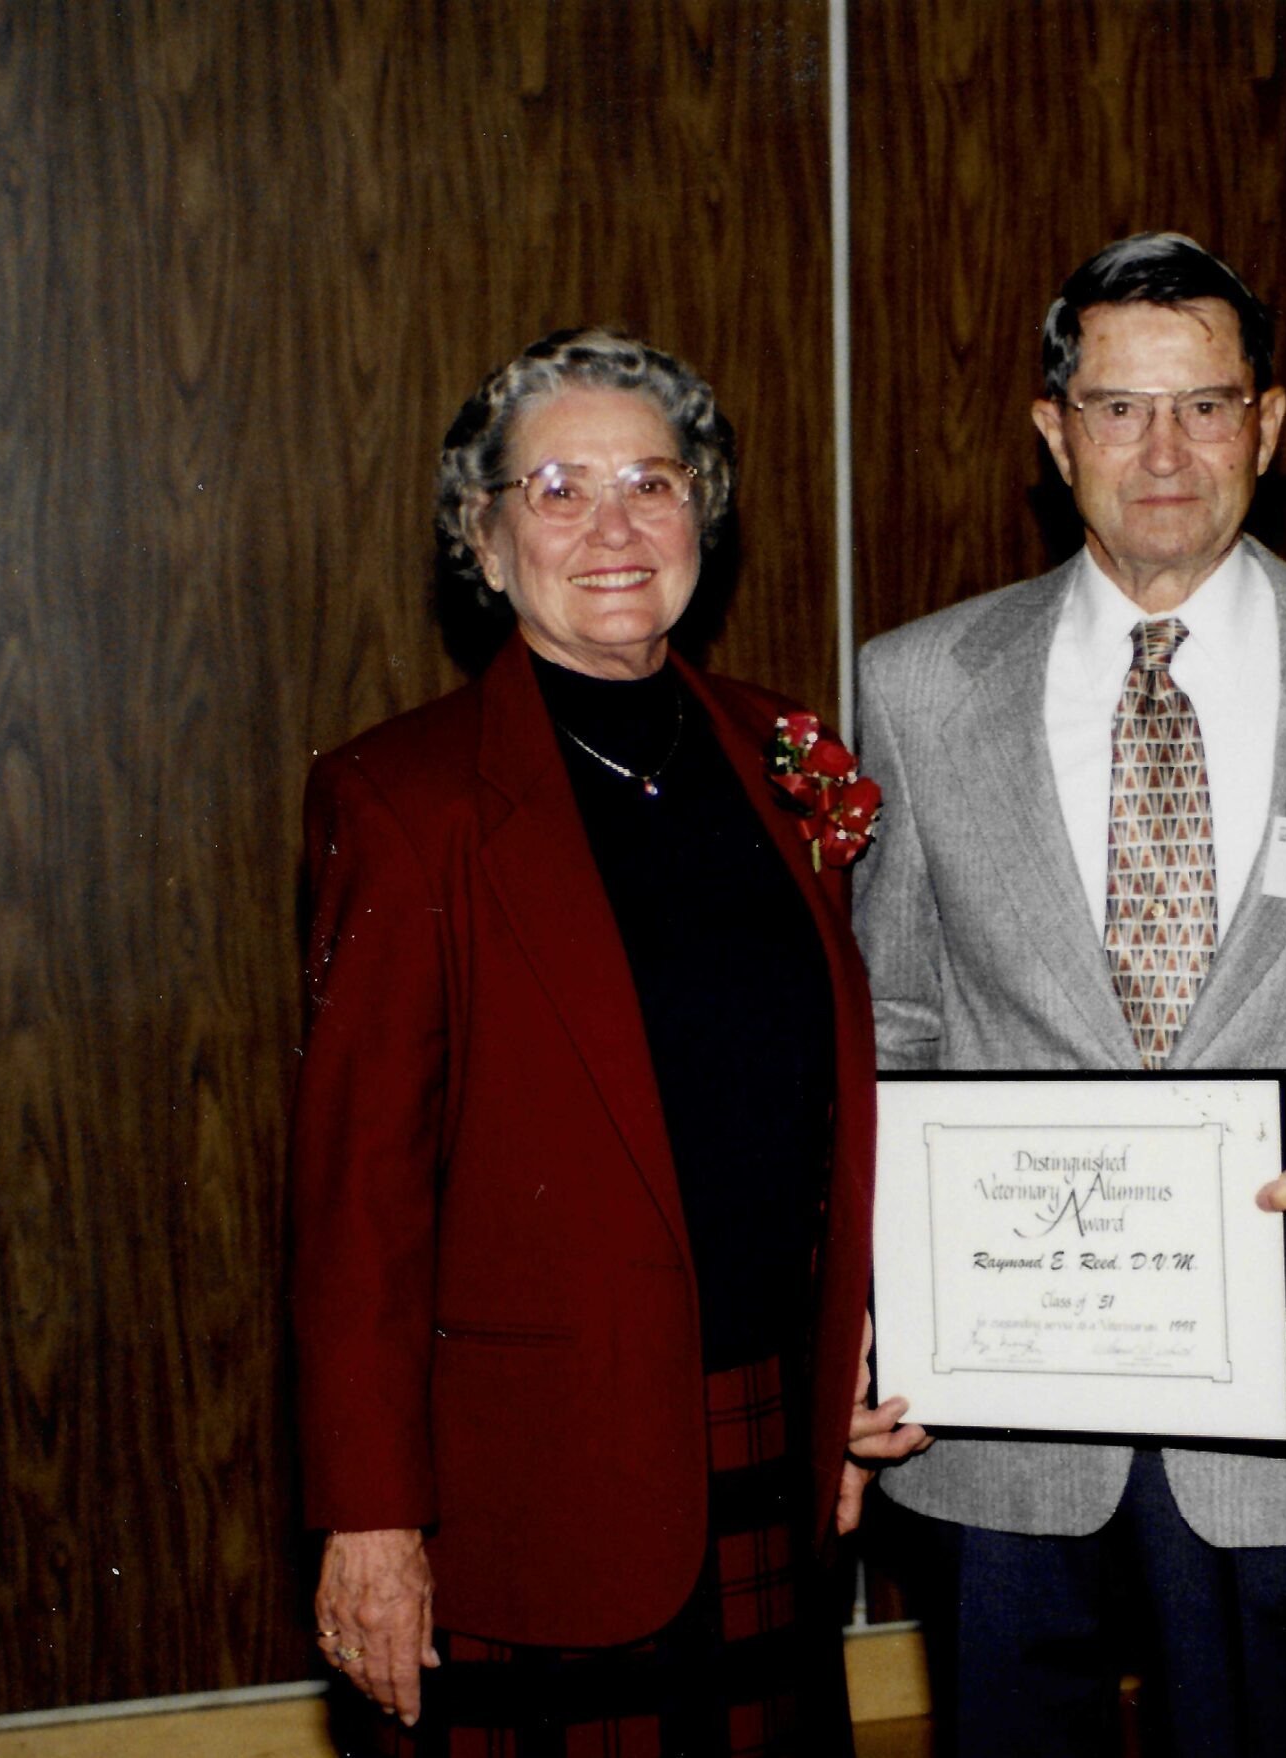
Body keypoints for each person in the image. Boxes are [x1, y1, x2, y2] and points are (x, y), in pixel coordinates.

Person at [850, 235, 1286, 1756]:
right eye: (1119, 408)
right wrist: (875, 1288)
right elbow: (890, 1013)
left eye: (1206, 405)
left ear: (1268, 424)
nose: (1164, 452)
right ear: (1055, 434)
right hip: (1000, 1383)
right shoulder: (916, 685)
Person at [290, 327, 925, 1755]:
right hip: (536, 1488)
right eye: (559, 490)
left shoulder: (779, 755)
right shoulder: (403, 798)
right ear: (485, 535)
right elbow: (354, 1204)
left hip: (765, 1445)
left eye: (652, 482)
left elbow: (824, 1115)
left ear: (705, 511)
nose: (614, 527)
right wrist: (370, 1521)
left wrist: (853, 1354)